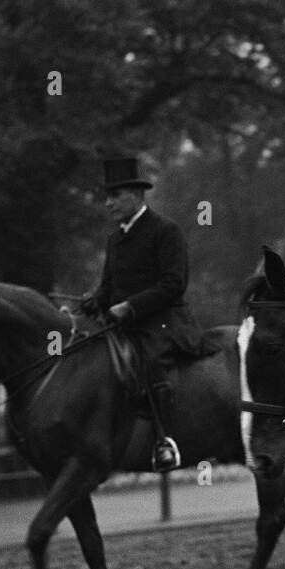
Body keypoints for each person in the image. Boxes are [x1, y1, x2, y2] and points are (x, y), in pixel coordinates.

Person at [82, 157, 207, 472]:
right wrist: (92, 301)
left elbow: (174, 284)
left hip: (163, 323)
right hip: (126, 324)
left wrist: (131, 306)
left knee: (149, 363)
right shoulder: (115, 239)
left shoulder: (165, 231)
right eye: (106, 197)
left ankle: (164, 440)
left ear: (136, 196)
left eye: (116, 196)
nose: (109, 203)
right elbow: (109, 289)